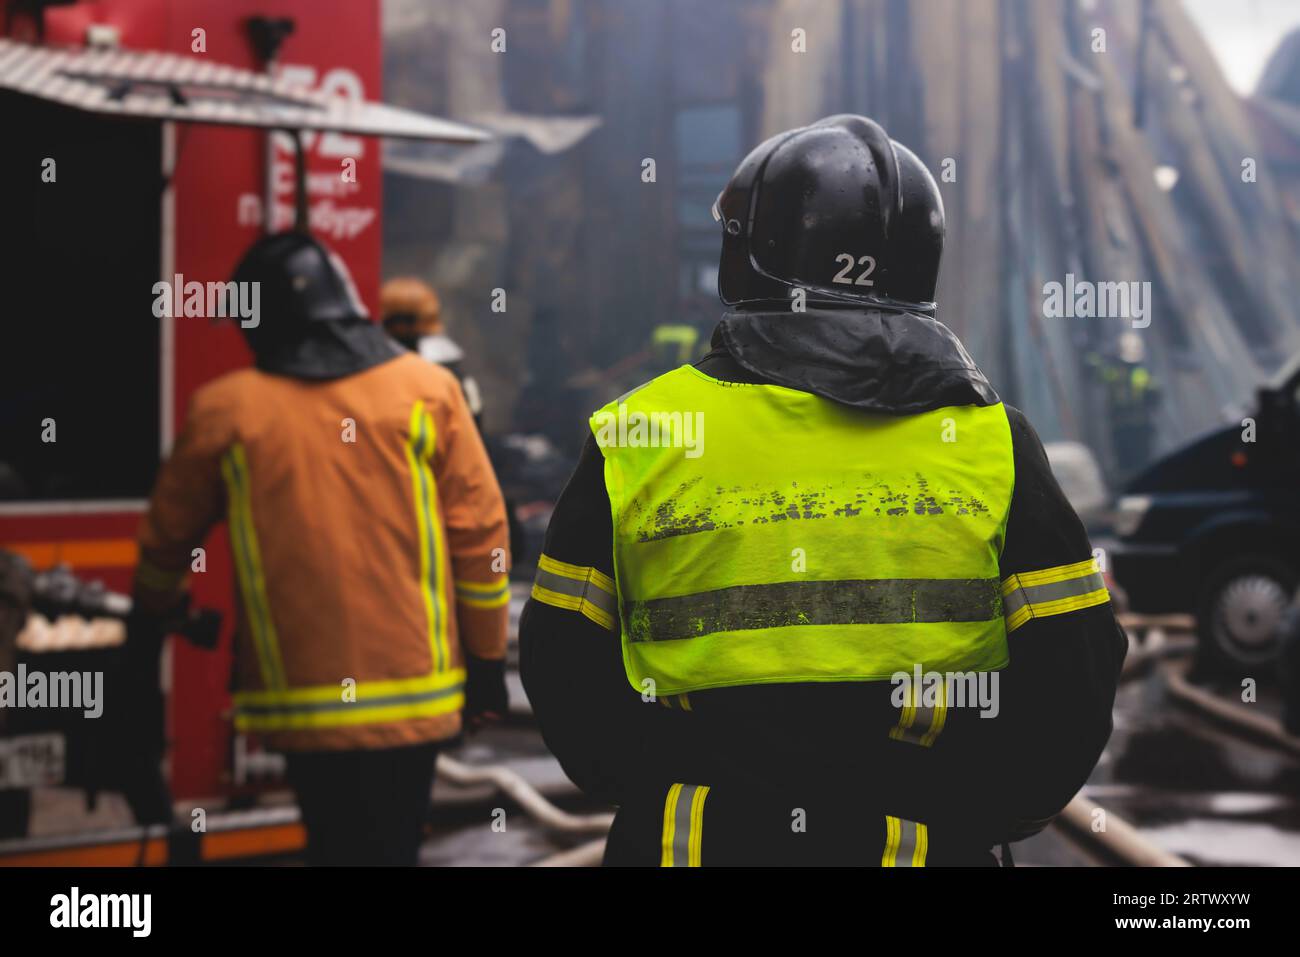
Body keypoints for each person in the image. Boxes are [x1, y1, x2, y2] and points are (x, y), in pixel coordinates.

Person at [519, 115, 1128, 866]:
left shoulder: (640, 434)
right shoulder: (996, 444)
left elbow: (564, 672)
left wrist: (656, 790)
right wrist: (976, 817)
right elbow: (1074, 682)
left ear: (745, 257)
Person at [132, 232, 511, 865]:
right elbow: (481, 542)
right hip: (419, 694)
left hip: (300, 701)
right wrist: (488, 666)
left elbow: (165, 545)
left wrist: (149, 621)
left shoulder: (226, 411)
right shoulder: (428, 391)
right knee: (392, 849)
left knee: (333, 844)